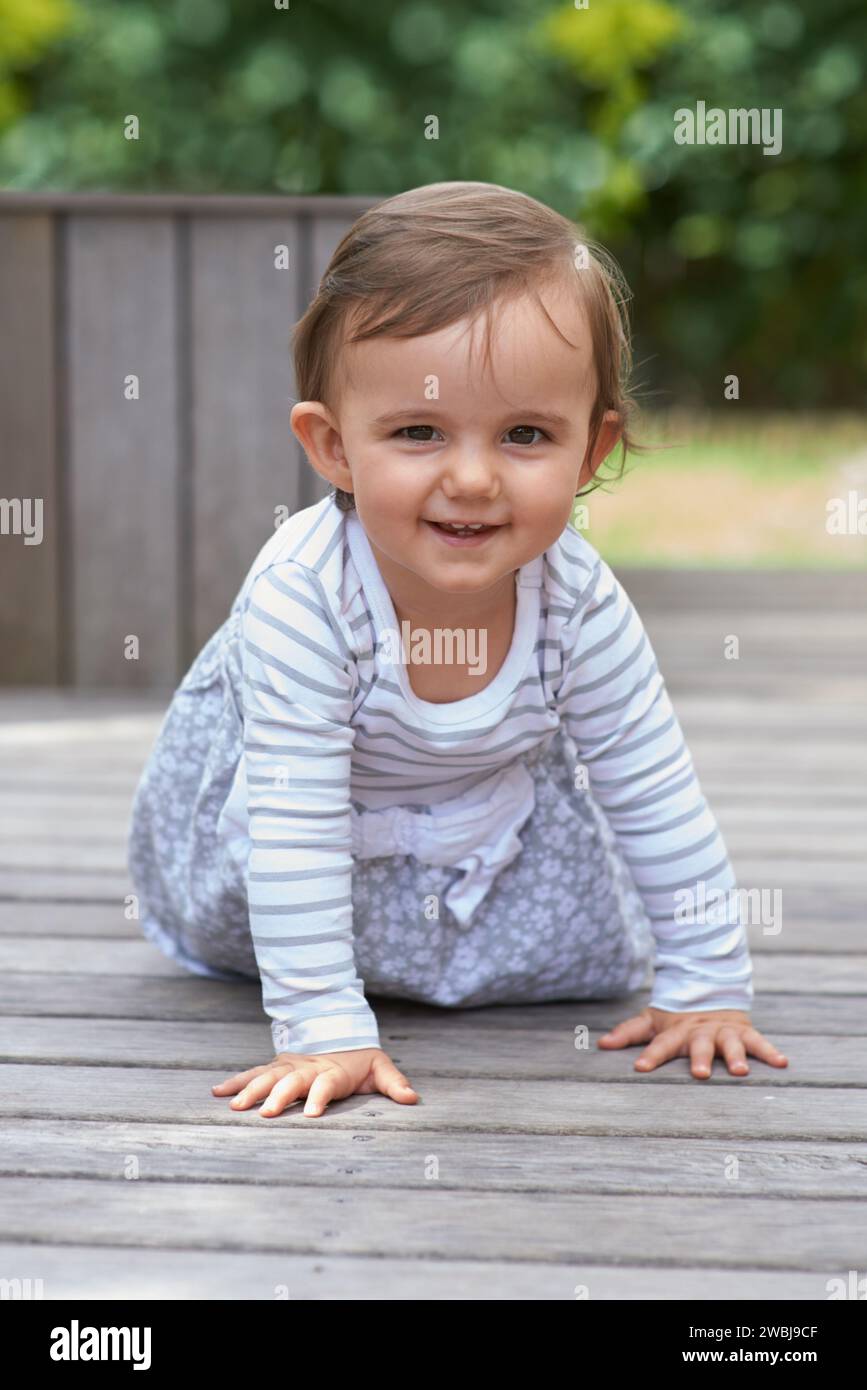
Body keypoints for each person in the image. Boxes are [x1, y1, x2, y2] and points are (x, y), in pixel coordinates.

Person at [127, 180, 788, 1119]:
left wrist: (707, 981)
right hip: (295, 860)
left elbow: (651, 786)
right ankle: (331, 982)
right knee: (261, 931)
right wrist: (323, 1027)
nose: (471, 478)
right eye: (418, 432)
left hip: (490, 849)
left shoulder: (578, 602)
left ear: (590, 452)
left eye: (524, 434)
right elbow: (295, 823)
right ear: (333, 447)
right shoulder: (303, 598)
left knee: (582, 963)